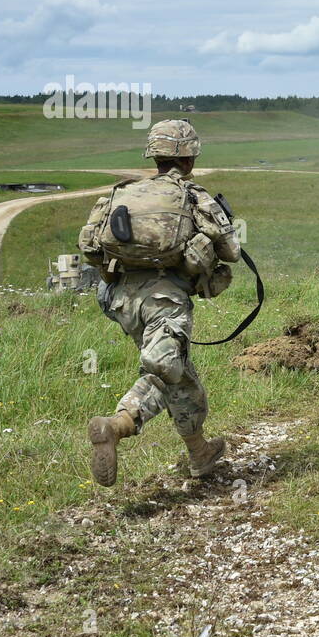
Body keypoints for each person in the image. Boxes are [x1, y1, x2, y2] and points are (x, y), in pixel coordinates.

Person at [76, 119, 240, 487]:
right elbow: (232, 251)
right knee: (164, 374)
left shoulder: (122, 194)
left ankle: (200, 453)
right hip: (164, 300)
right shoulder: (193, 196)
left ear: (154, 156)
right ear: (190, 158)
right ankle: (116, 426)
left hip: (119, 300)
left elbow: (88, 247)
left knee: (181, 376)